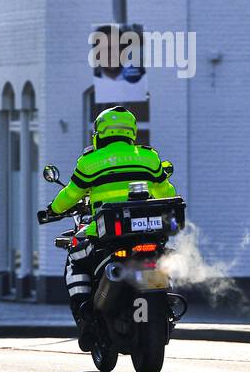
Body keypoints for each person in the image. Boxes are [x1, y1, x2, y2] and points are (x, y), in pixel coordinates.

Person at [46, 107, 178, 349]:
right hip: (148, 233)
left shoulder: (90, 161)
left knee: (75, 256)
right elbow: (167, 193)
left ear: (100, 133)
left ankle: (85, 312)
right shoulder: (149, 157)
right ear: (132, 131)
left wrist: (53, 209)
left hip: (107, 237)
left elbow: (70, 195)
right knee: (165, 257)